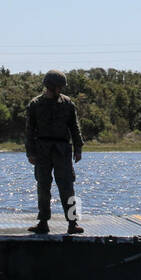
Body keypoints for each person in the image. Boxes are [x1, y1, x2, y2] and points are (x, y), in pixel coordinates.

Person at [25, 70, 84, 234]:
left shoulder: (67, 103)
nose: (60, 89)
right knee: (43, 186)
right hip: (42, 150)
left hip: (62, 149)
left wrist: (78, 148)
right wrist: (30, 152)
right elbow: (29, 130)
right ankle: (43, 222)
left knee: (67, 186)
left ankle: (73, 223)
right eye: (58, 86)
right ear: (50, 86)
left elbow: (74, 127)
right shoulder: (35, 104)